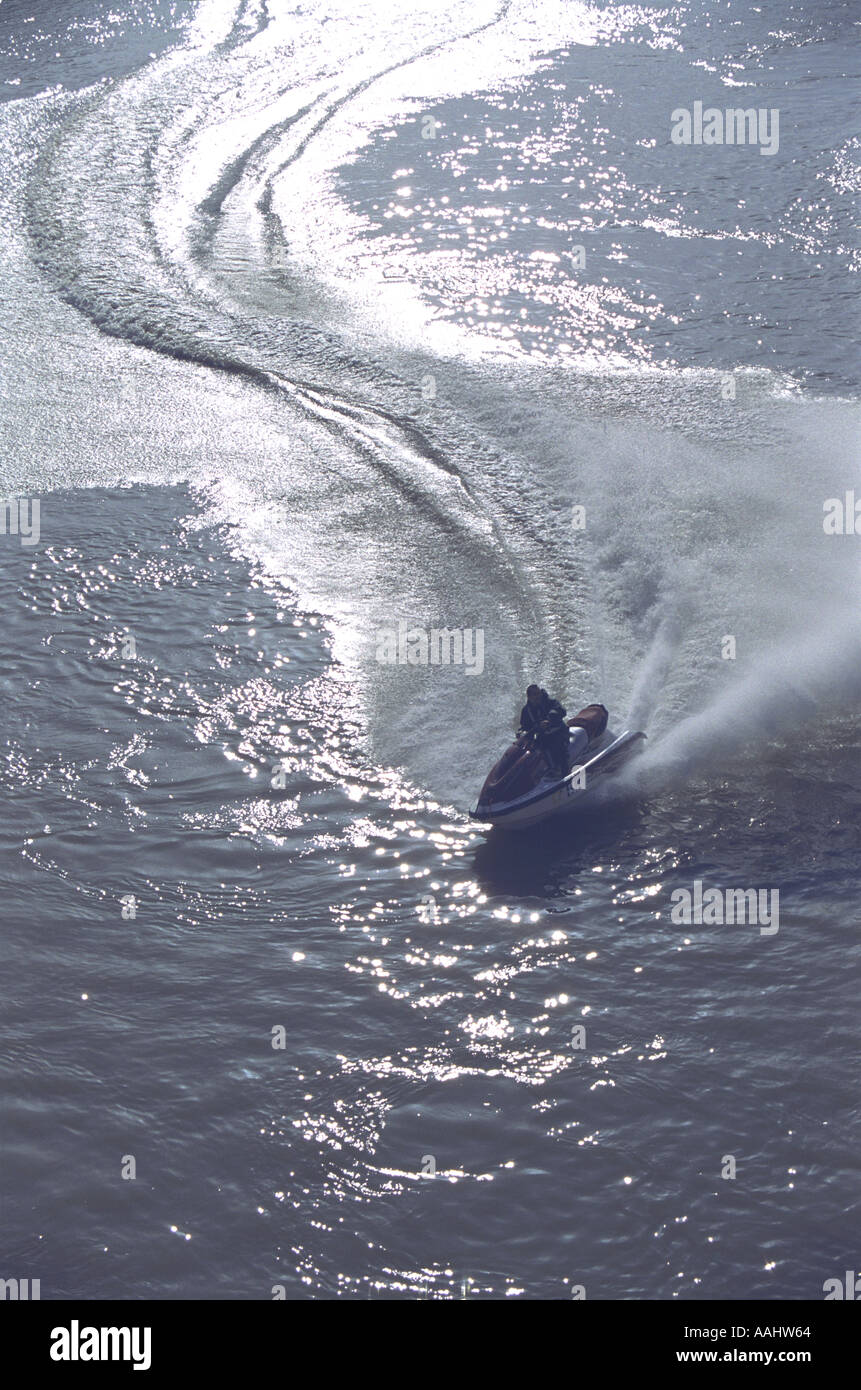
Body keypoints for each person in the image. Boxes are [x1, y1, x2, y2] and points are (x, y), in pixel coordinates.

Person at [518, 684, 570, 776]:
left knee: (556, 746)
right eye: (535, 694)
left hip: (559, 733)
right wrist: (521, 733)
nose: (538, 696)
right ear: (529, 697)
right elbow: (525, 726)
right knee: (532, 750)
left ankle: (564, 774)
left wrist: (551, 717)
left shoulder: (550, 702)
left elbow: (562, 711)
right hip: (543, 737)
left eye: (538, 693)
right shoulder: (526, 711)